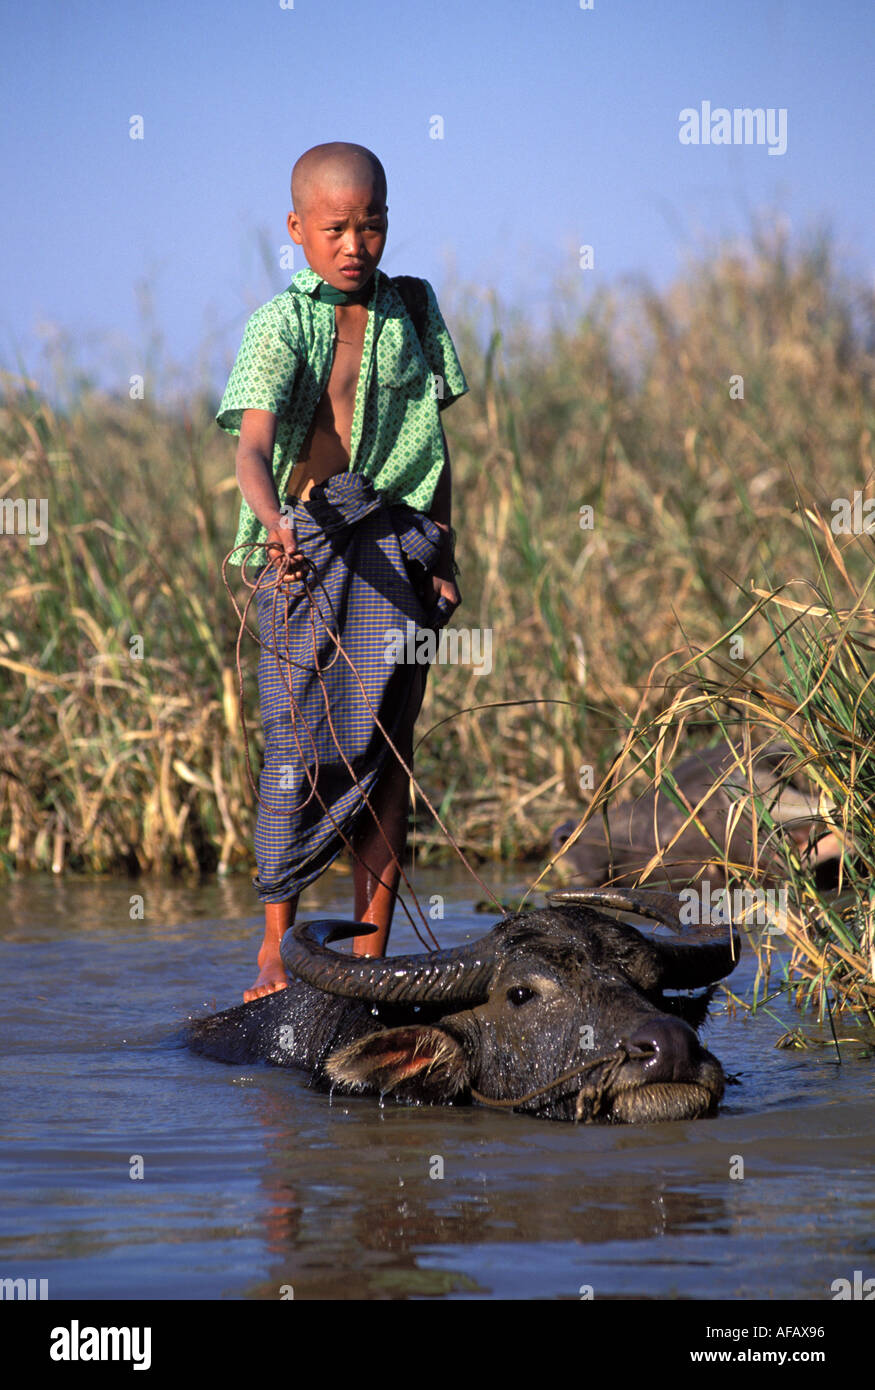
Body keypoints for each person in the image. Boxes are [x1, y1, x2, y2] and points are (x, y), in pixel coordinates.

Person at [216, 142, 468, 1000]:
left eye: (372, 224)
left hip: (394, 545)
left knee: (386, 754)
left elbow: (434, 441)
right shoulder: (277, 324)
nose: (355, 243)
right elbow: (252, 449)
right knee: (296, 746)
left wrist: (444, 548)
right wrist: (273, 524)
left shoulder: (415, 307)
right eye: (335, 228)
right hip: (305, 549)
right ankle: (275, 947)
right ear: (296, 229)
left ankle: (370, 956)